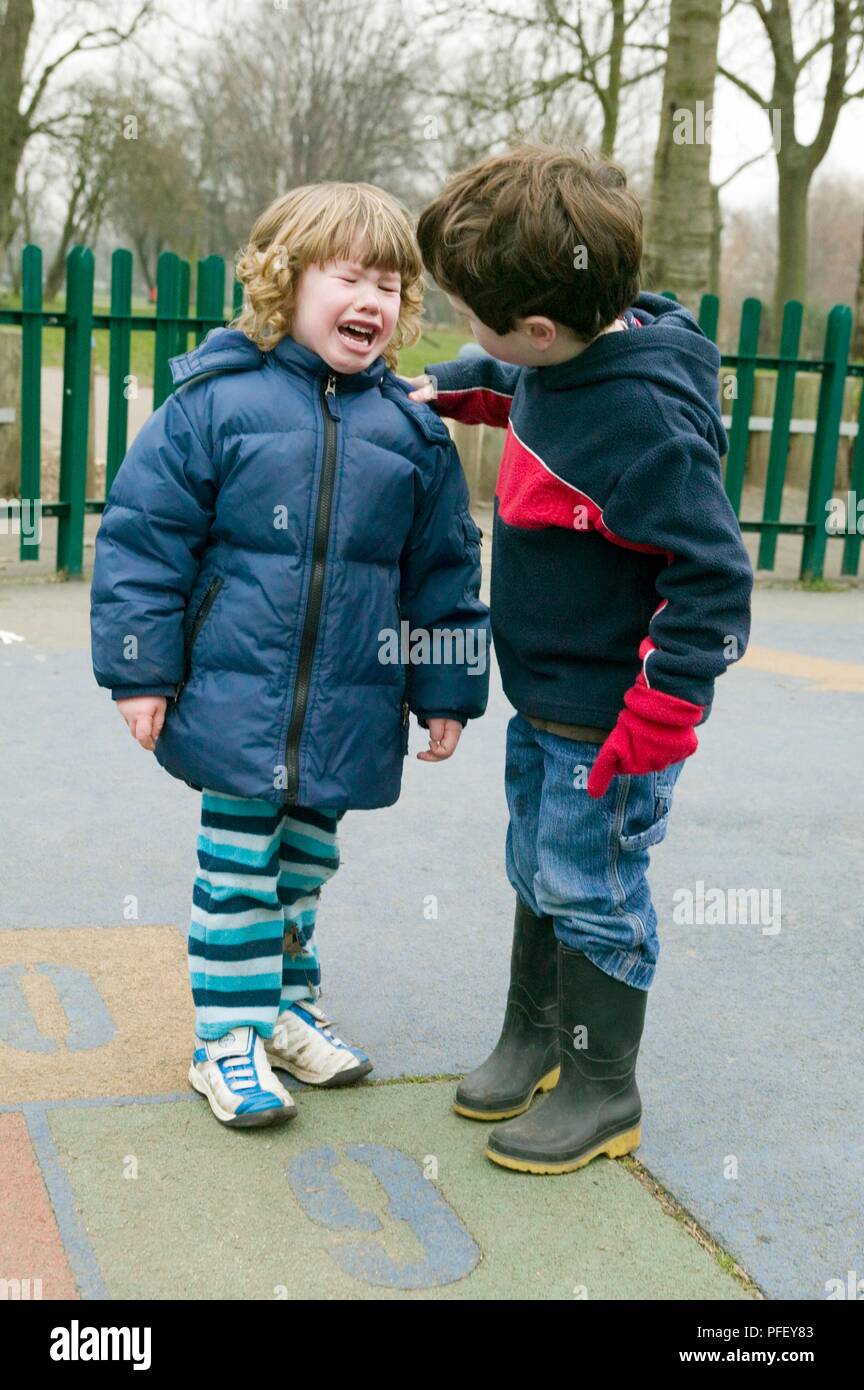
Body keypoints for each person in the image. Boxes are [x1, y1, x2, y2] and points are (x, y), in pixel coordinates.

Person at [90, 182, 490, 1128]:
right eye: (348, 276)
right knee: (237, 868)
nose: (372, 301)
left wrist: (446, 689)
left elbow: (442, 571)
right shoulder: (214, 405)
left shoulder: (412, 434)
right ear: (285, 282)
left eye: (390, 286)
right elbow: (144, 540)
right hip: (238, 698)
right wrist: (143, 671)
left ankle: (282, 1011)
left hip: (351, 701)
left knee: (304, 868)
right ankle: (223, 1040)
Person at [404, 141, 753, 1174]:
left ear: (547, 327)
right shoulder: (575, 354)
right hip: (547, 699)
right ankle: (536, 1037)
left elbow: (715, 582)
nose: (467, 328)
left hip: (613, 721)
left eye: (471, 312)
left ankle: (604, 1085)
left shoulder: (643, 420)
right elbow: (520, 379)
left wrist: (660, 718)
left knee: (594, 885)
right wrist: (455, 385)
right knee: (540, 865)